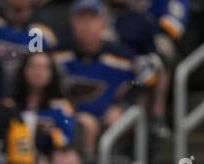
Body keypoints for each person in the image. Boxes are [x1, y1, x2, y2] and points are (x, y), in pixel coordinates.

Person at [55, 0, 158, 151]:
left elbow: (146, 80)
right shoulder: (58, 56)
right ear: (72, 23)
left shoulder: (122, 57)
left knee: (116, 120)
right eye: (81, 19)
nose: (87, 25)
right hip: (69, 120)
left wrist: (124, 105)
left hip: (108, 120)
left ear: (103, 23)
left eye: (92, 18)